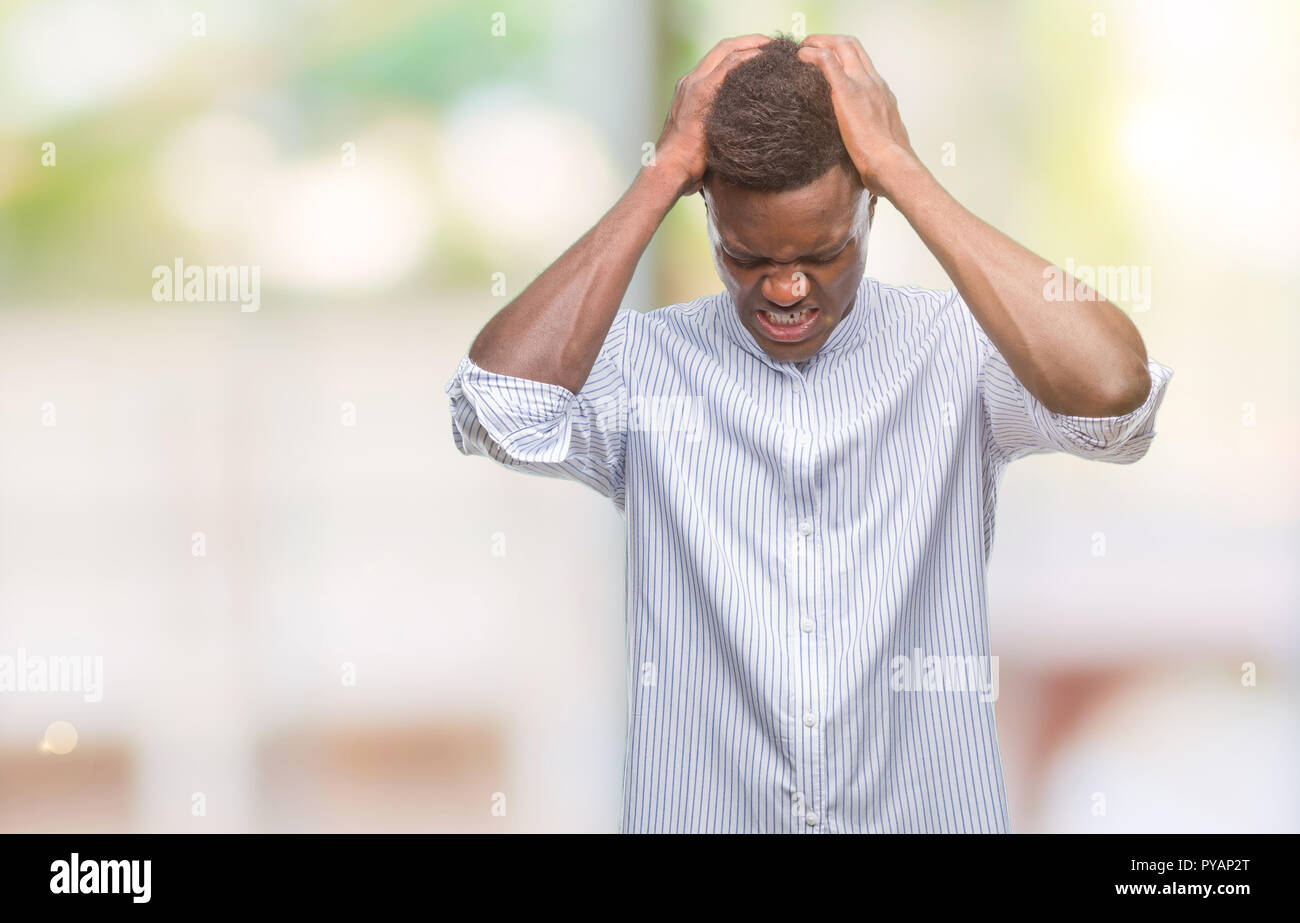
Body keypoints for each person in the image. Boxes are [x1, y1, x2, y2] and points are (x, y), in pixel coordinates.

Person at [445, 33, 1172, 833]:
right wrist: (662, 173)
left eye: (825, 253)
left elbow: (1115, 399)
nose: (787, 289)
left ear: (868, 206)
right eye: (747, 256)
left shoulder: (959, 352)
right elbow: (498, 409)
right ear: (710, 213)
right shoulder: (644, 366)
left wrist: (900, 169)